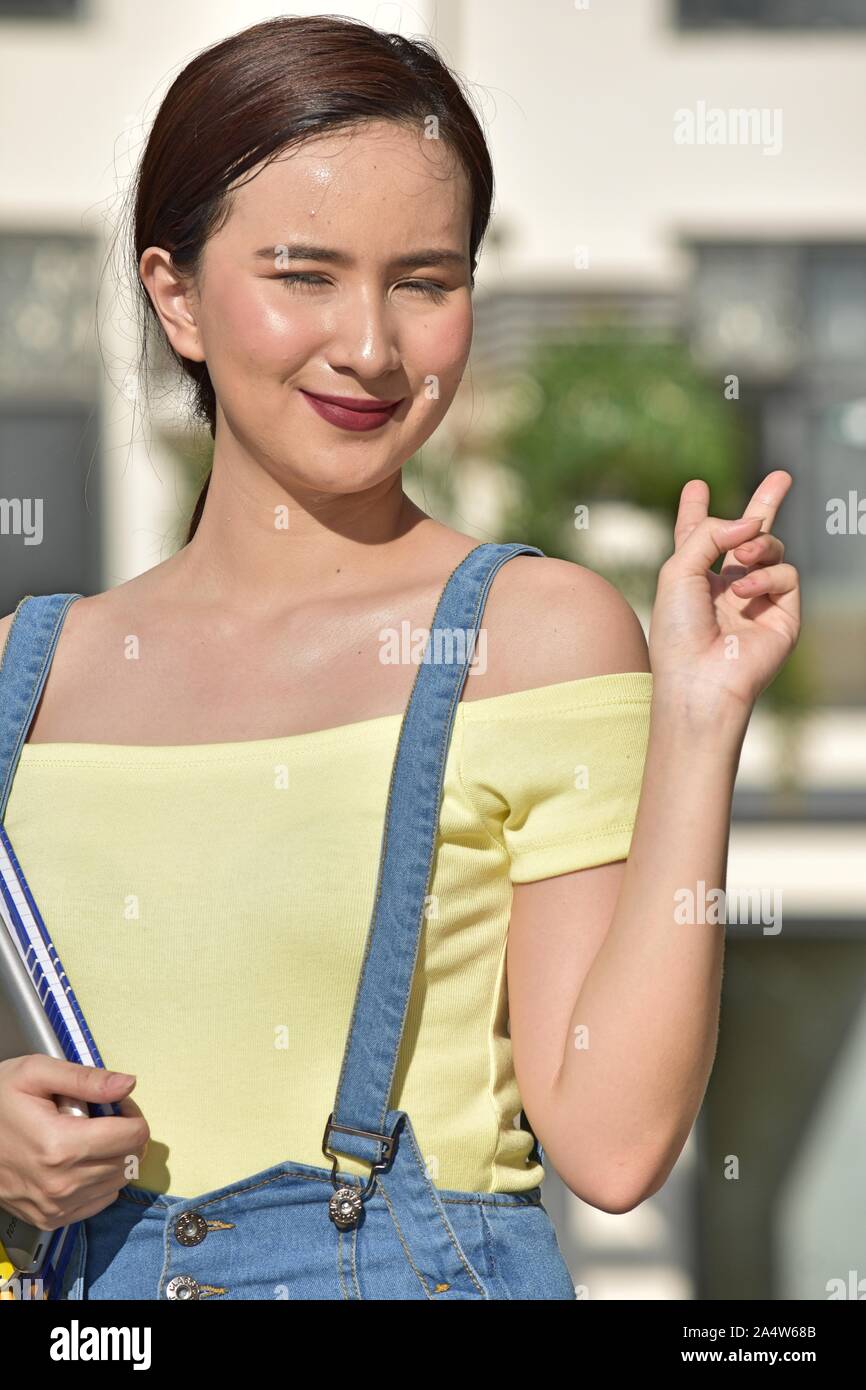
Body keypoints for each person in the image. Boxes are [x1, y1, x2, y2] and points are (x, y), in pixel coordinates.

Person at [0, 15, 800, 1301]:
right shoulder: (18, 676)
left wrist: (698, 722)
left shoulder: (533, 635)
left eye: (424, 282)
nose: (370, 347)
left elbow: (611, 1140)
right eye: (303, 276)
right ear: (175, 296)